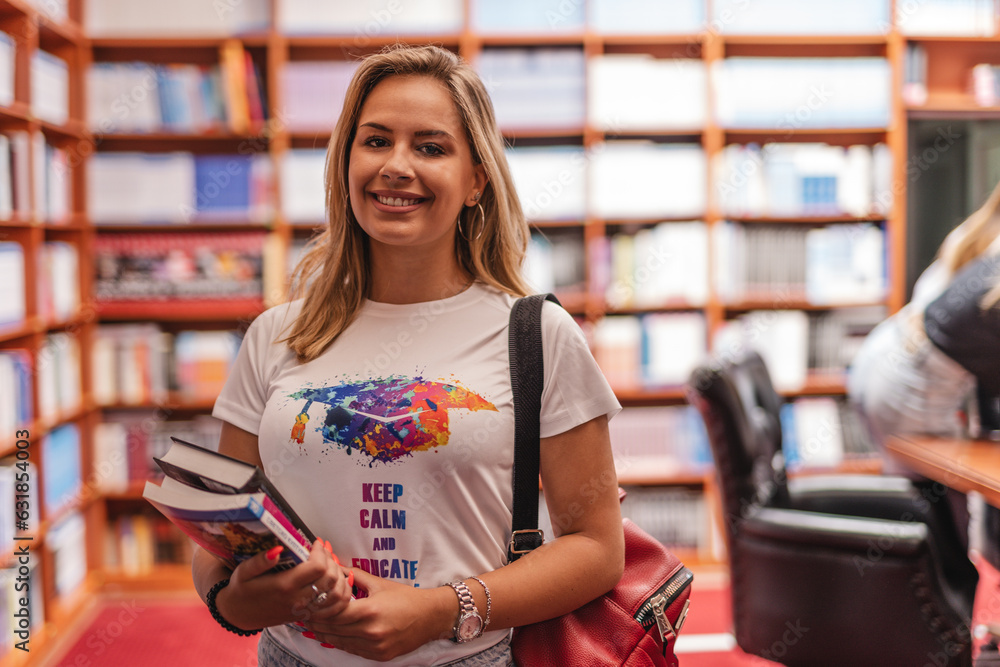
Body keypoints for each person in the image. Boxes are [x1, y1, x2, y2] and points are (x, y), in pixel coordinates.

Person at [191, 43, 625, 667]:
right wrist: (234, 605)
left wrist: (438, 609)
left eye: (430, 147)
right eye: (375, 141)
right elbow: (217, 547)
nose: (397, 166)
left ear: (476, 179)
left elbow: (595, 547)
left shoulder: (537, 335)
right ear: (345, 163)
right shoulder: (274, 337)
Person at [847, 178, 1000, 457]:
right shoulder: (996, 267)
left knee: (915, 489)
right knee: (942, 491)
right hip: (916, 377)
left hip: (884, 349)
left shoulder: (978, 230)